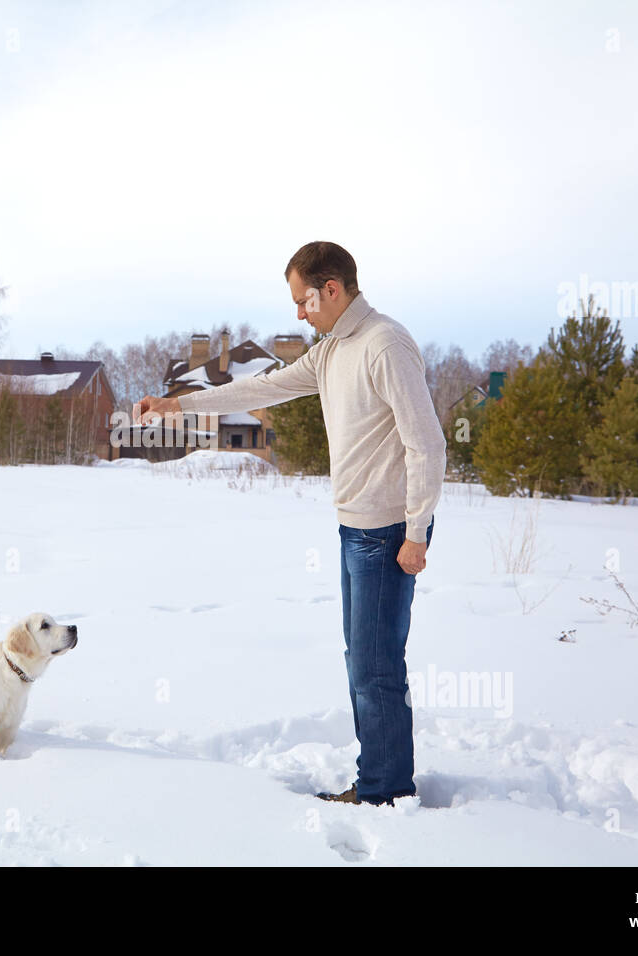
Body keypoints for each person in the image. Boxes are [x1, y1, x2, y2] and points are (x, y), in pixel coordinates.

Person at [135, 241, 446, 807]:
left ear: (332, 289)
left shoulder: (384, 343)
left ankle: (384, 790)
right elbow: (263, 387)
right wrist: (180, 404)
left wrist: (417, 533)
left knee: (374, 669)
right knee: (363, 662)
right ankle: (382, 780)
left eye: (303, 300)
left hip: (387, 532)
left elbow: (427, 444)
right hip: (357, 528)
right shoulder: (332, 352)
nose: (298, 314)